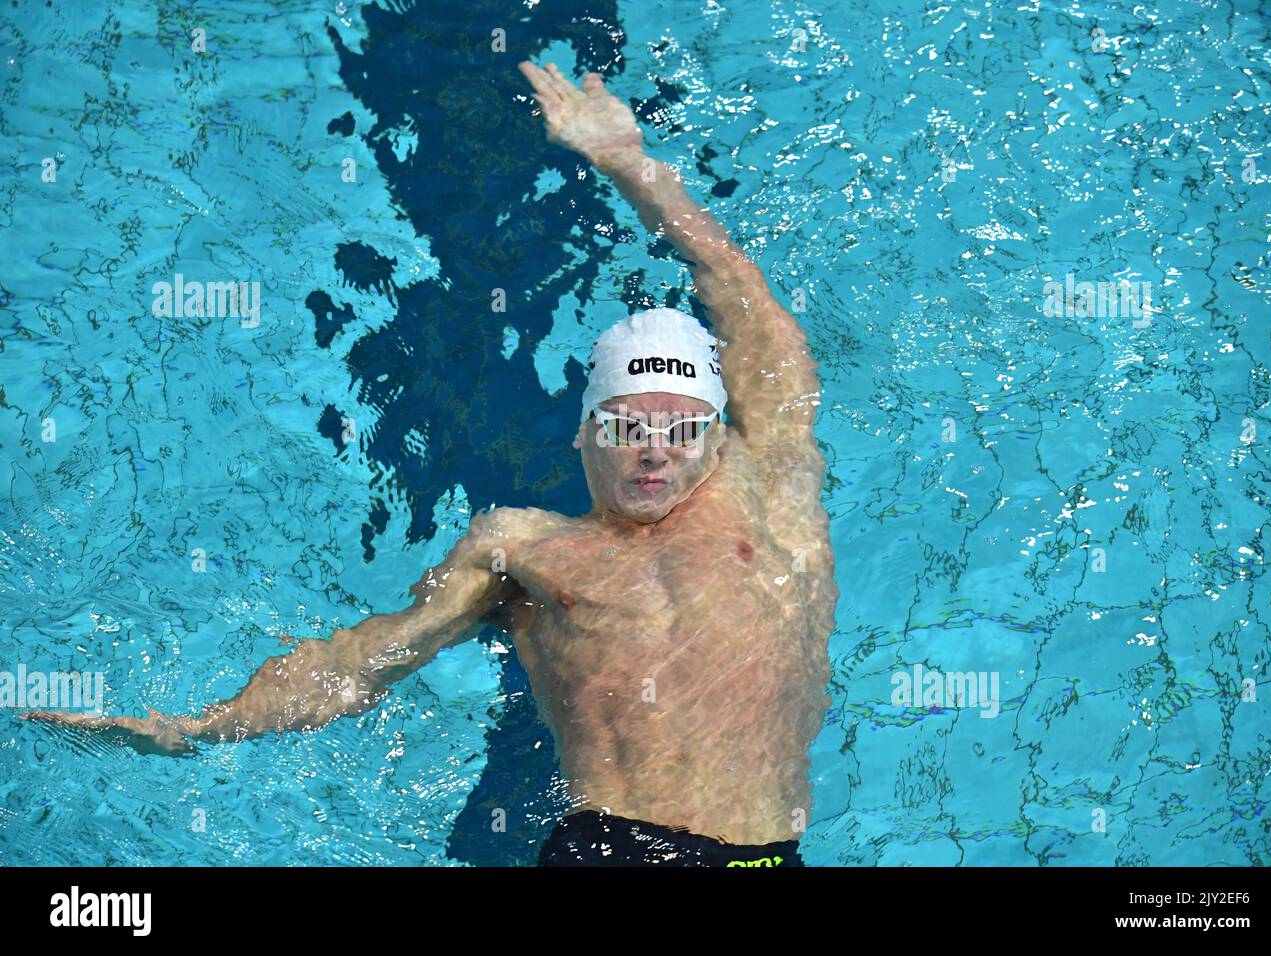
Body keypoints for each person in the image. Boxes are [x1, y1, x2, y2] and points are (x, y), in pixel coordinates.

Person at [22, 60, 839, 867]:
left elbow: (746, 305)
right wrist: (202, 726)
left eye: (683, 430)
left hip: (761, 855)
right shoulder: (519, 548)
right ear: (583, 436)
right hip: (608, 851)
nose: (656, 449)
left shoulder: (767, 486)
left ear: (717, 431)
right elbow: (368, 660)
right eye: (628, 428)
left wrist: (628, 164)